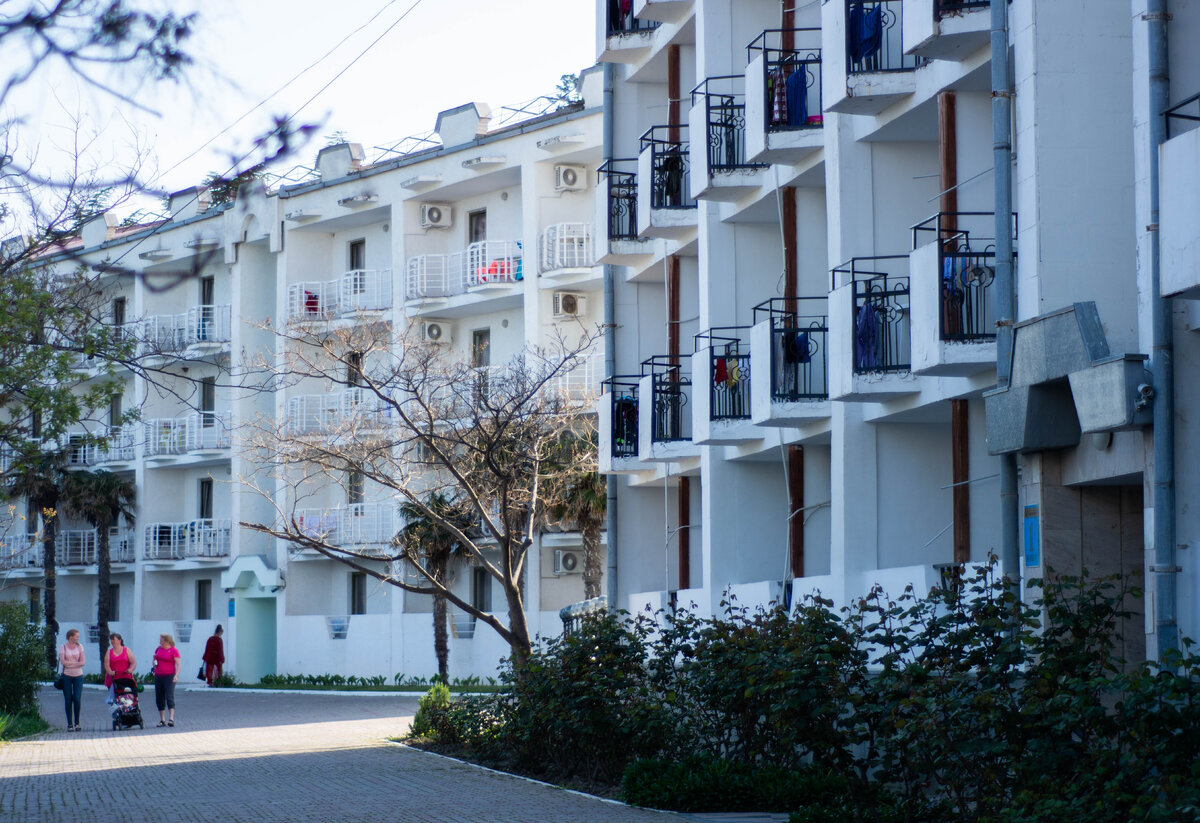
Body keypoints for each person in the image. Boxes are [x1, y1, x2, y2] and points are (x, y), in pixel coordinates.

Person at [58, 629, 86, 732]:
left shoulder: (80, 646)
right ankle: (70, 724)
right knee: (68, 699)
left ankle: (77, 722)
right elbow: (63, 662)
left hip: (78, 675)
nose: (77, 638)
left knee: (77, 699)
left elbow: (83, 662)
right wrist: (75, 663)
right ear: (70, 637)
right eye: (76, 636)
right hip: (67, 676)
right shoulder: (63, 647)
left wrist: (71, 664)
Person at [152, 633, 181, 727]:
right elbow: (155, 663)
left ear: (167, 641)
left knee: (169, 695)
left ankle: (171, 718)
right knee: (159, 697)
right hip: (159, 675)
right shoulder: (158, 649)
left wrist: (176, 675)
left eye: (161, 640)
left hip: (170, 676)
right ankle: (162, 719)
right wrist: (154, 662)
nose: (160, 641)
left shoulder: (173, 651)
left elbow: (178, 664)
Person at [103, 633, 137, 705]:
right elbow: (106, 665)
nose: (112, 641)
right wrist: (110, 672)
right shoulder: (109, 652)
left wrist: (130, 669)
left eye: (114, 639)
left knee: (127, 696)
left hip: (126, 678)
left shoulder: (126, 650)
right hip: (114, 678)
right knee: (115, 699)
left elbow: (133, 662)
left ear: (119, 640)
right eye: (111, 640)